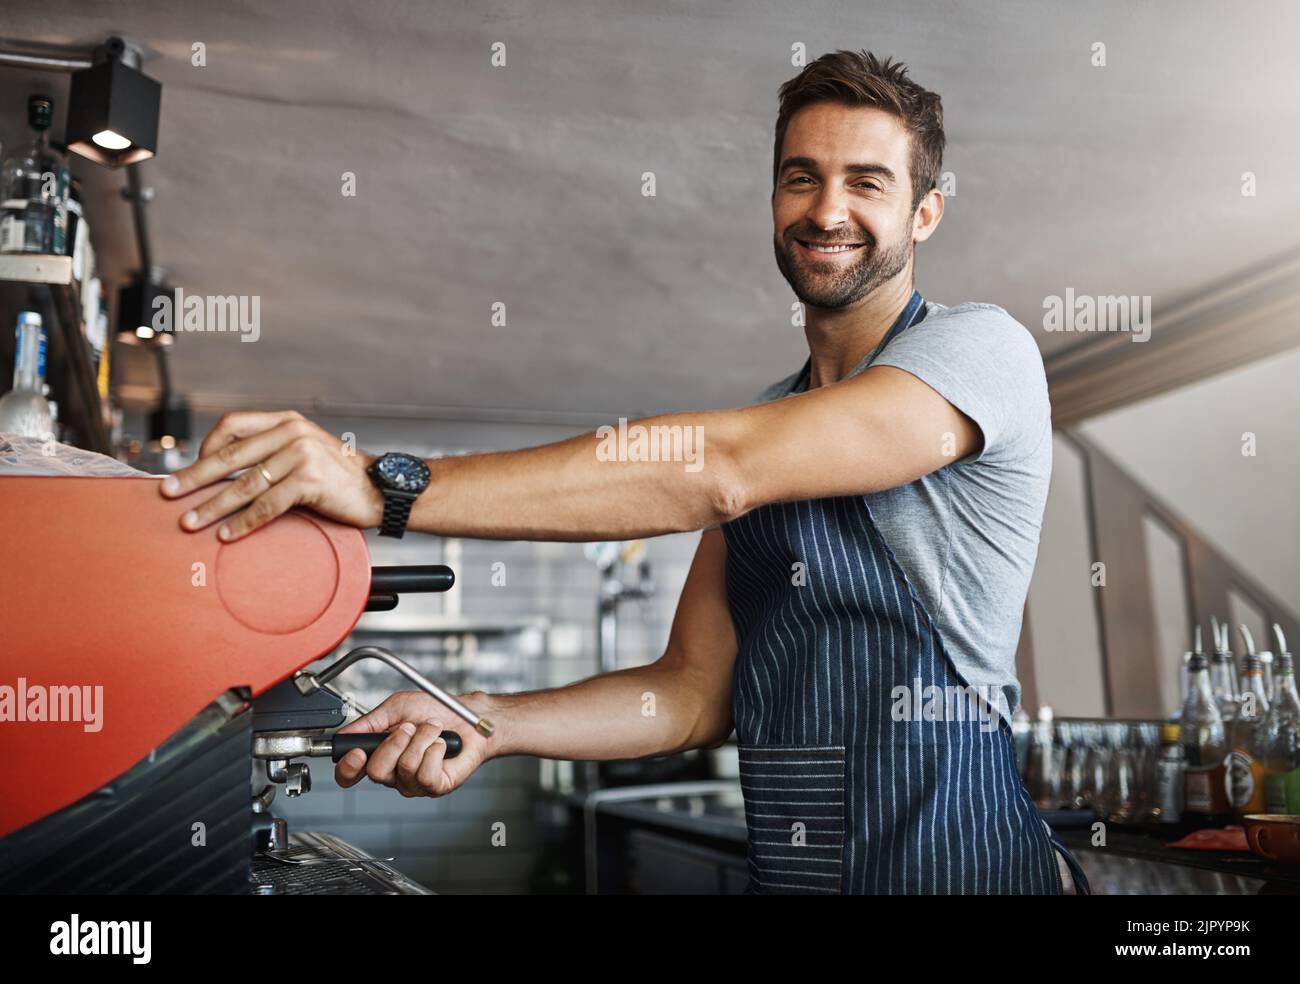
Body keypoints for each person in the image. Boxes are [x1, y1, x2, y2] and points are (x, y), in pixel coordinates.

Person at [162, 50, 1084, 894]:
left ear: (924, 211)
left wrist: (385, 486)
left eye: (866, 183)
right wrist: (485, 718)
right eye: (801, 177)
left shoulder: (980, 352)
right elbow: (686, 693)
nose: (827, 209)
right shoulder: (772, 416)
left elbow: (718, 470)